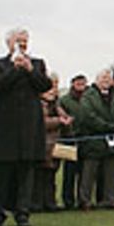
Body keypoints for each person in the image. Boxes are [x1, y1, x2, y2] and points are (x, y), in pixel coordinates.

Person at [0, 28, 52, 226]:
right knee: (1, 173)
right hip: (5, 126)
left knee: (26, 171)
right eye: (18, 41)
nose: (21, 45)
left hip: (30, 126)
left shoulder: (38, 64)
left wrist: (30, 69)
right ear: (9, 43)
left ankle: (23, 213)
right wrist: (15, 69)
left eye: (24, 41)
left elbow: (44, 85)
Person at [77, 69, 114, 209]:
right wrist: (105, 126)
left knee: (110, 172)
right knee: (89, 173)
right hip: (93, 138)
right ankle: (84, 200)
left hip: (112, 139)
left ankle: (109, 199)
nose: (106, 80)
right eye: (103, 78)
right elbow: (88, 115)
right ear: (96, 80)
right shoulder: (88, 95)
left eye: (108, 78)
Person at [34, 74, 70, 212]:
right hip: (41, 144)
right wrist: (59, 121)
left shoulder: (57, 105)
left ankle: (50, 202)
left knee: (51, 176)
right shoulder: (37, 104)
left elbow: (64, 118)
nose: (52, 92)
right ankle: (37, 203)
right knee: (39, 176)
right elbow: (40, 122)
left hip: (54, 145)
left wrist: (66, 121)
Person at [57, 74, 88, 209]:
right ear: (73, 84)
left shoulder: (89, 98)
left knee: (83, 172)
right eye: (78, 83)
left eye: (83, 83)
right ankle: (68, 200)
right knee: (69, 173)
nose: (81, 85)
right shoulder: (65, 100)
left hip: (86, 138)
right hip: (69, 138)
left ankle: (82, 200)